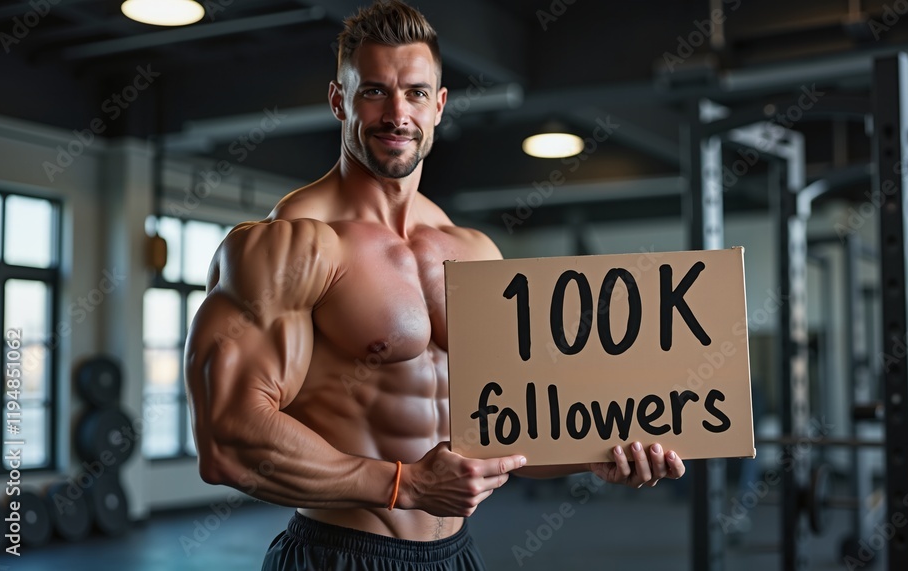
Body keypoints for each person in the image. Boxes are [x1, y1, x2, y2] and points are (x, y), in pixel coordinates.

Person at [184, 1, 686, 569]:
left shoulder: (473, 252)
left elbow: (504, 429)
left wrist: (593, 454)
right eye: (374, 91)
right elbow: (228, 440)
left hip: (454, 554)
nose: (397, 113)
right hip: (340, 554)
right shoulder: (289, 247)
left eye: (416, 93)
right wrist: (405, 485)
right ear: (338, 100)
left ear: (439, 105)